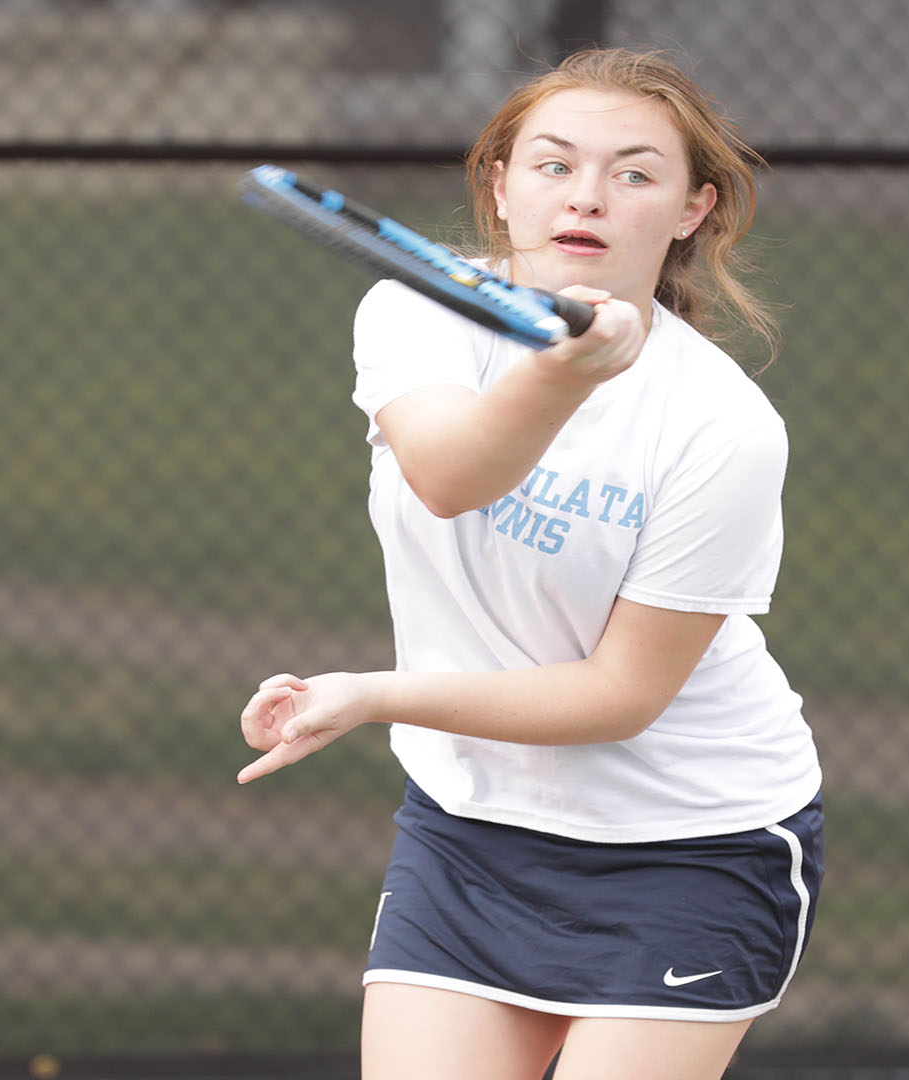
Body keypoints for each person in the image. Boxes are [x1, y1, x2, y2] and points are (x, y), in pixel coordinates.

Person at [235, 47, 823, 1080]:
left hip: (691, 846)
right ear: (501, 187)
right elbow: (451, 474)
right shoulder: (411, 312)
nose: (587, 196)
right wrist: (567, 373)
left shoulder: (726, 426)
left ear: (692, 209)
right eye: (553, 165)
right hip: (469, 833)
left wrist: (373, 694)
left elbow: (619, 694)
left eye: (635, 173)